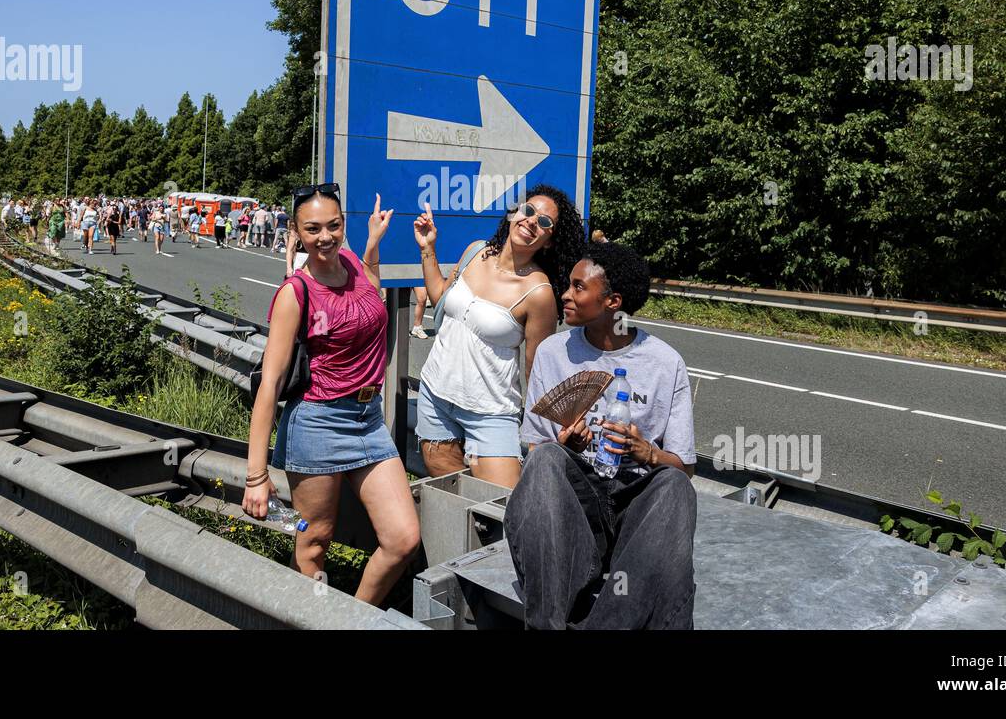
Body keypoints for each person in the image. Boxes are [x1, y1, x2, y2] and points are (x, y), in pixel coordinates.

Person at [241, 186, 419, 606]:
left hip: (369, 422)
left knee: (403, 538)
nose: (325, 236)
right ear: (297, 234)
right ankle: (311, 614)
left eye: (334, 225)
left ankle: (351, 617)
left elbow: (369, 300)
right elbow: (270, 383)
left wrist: (372, 245)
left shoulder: (355, 263)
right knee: (315, 542)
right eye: (313, 228)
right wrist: (256, 475)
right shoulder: (295, 293)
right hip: (318, 423)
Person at [508, 241, 698, 629]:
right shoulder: (552, 352)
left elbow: (684, 465)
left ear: (613, 301)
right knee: (545, 459)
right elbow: (534, 447)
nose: (565, 294)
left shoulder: (665, 363)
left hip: (635, 512)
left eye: (579, 287)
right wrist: (565, 447)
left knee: (676, 486)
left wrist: (647, 453)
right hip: (575, 513)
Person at [412, 185, 585, 488]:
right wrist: (428, 248)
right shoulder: (475, 251)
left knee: (503, 505)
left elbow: (536, 372)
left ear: (548, 241)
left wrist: (541, 436)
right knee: (451, 494)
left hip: (490, 413)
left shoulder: (539, 293)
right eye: (528, 211)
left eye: (545, 222)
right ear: (514, 213)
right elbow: (440, 298)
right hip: (435, 396)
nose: (532, 221)